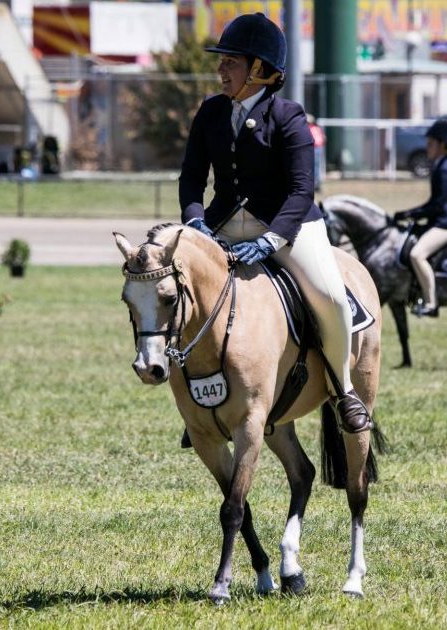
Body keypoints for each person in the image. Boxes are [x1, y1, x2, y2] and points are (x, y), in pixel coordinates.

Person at [179, 12, 371, 434]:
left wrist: (271, 240)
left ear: (260, 70)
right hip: (223, 223)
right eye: (223, 61)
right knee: (181, 287)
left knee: (331, 298)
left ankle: (343, 390)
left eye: (231, 61)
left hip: (290, 224)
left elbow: (303, 189)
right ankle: (198, 397)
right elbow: (192, 178)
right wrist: (195, 223)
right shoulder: (210, 112)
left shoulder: (288, 116)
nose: (220, 69)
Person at [393, 119, 447, 318]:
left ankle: (431, 303)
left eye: (430, 143)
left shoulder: (445, 168)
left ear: (442, 145)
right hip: (441, 219)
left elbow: (438, 205)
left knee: (417, 254)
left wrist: (411, 213)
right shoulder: (440, 165)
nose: (427, 147)